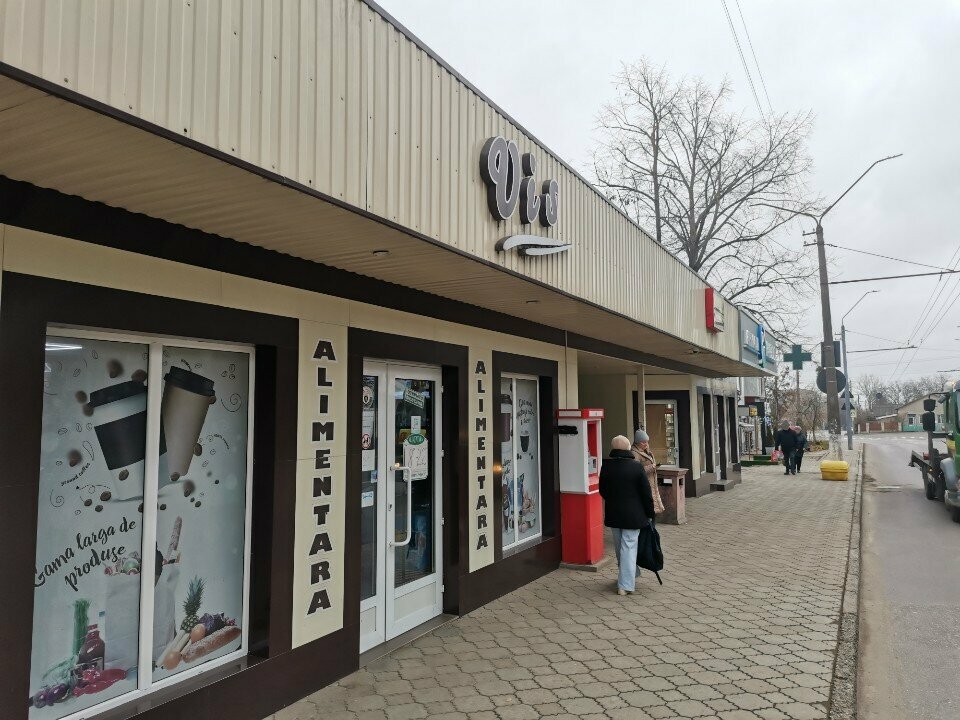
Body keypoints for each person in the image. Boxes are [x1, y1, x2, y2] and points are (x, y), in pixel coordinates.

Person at [598, 435, 655, 596]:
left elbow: (603, 490)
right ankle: (625, 584)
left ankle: (628, 575)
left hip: (614, 514)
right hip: (634, 515)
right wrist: (650, 513)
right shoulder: (636, 467)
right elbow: (646, 493)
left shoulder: (606, 466)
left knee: (619, 548)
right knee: (629, 547)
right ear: (629, 447)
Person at [631, 429, 664, 518]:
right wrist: (652, 467)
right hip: (645, 484)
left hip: (651, 483)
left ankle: (651, 529)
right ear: (637, 442)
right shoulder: (634, 453)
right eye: (643, 442)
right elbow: (636, 471)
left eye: (647, 442)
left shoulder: (647, 451)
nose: (646, 444)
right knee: (649, 511)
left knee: (652, 511)